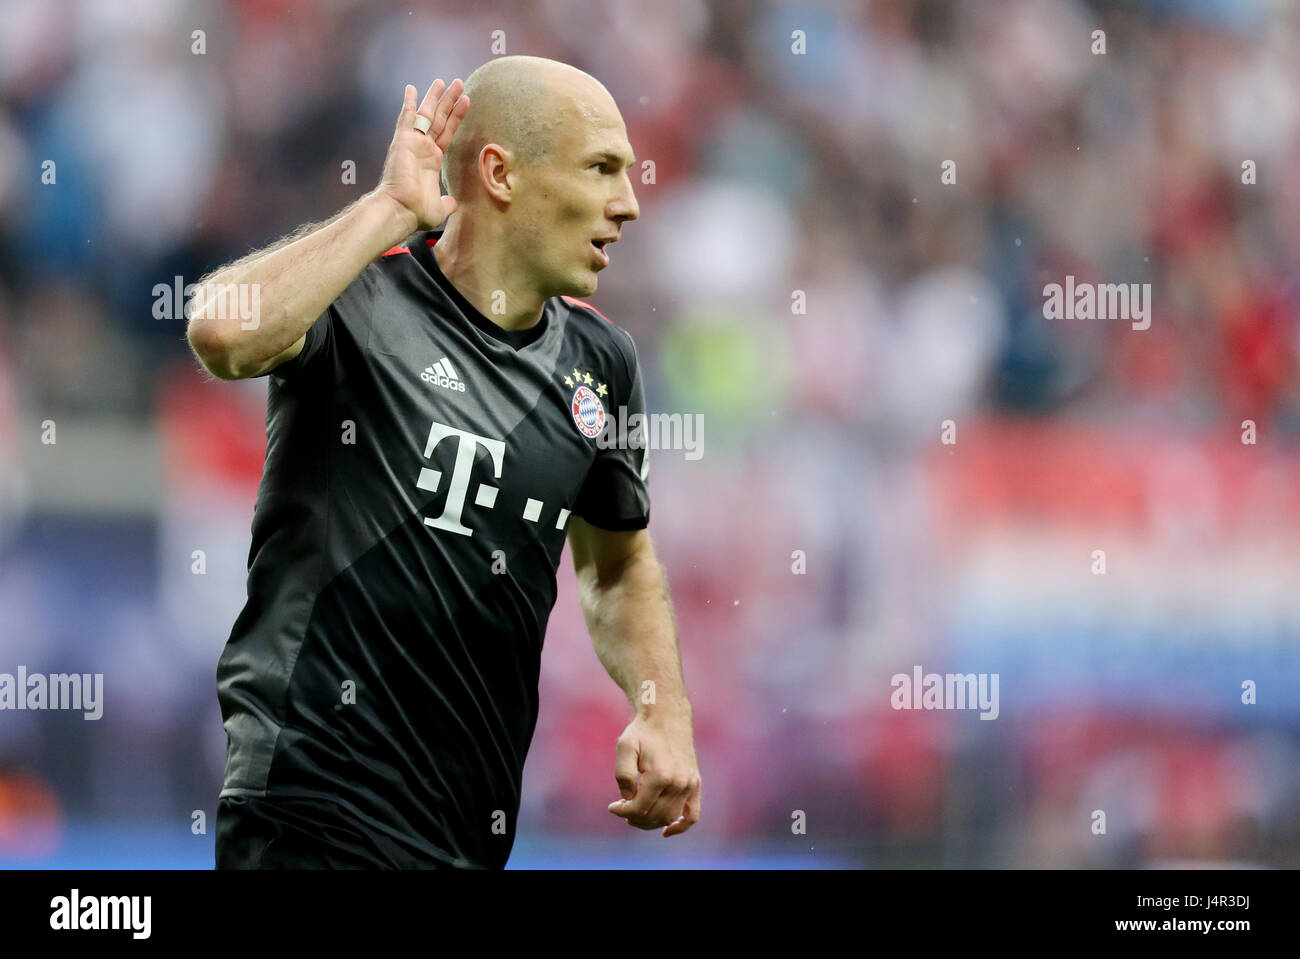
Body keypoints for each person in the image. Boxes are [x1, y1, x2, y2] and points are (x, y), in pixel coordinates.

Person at [186, 55, 700, 869]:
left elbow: (617, 563)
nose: (628, 204)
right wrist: (389, 207)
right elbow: (220, 332)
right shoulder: (356, 301)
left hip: (465, 830)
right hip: (311, 804)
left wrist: (661, 706)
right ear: (499, 173)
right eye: (602, 168)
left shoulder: (602, 363)